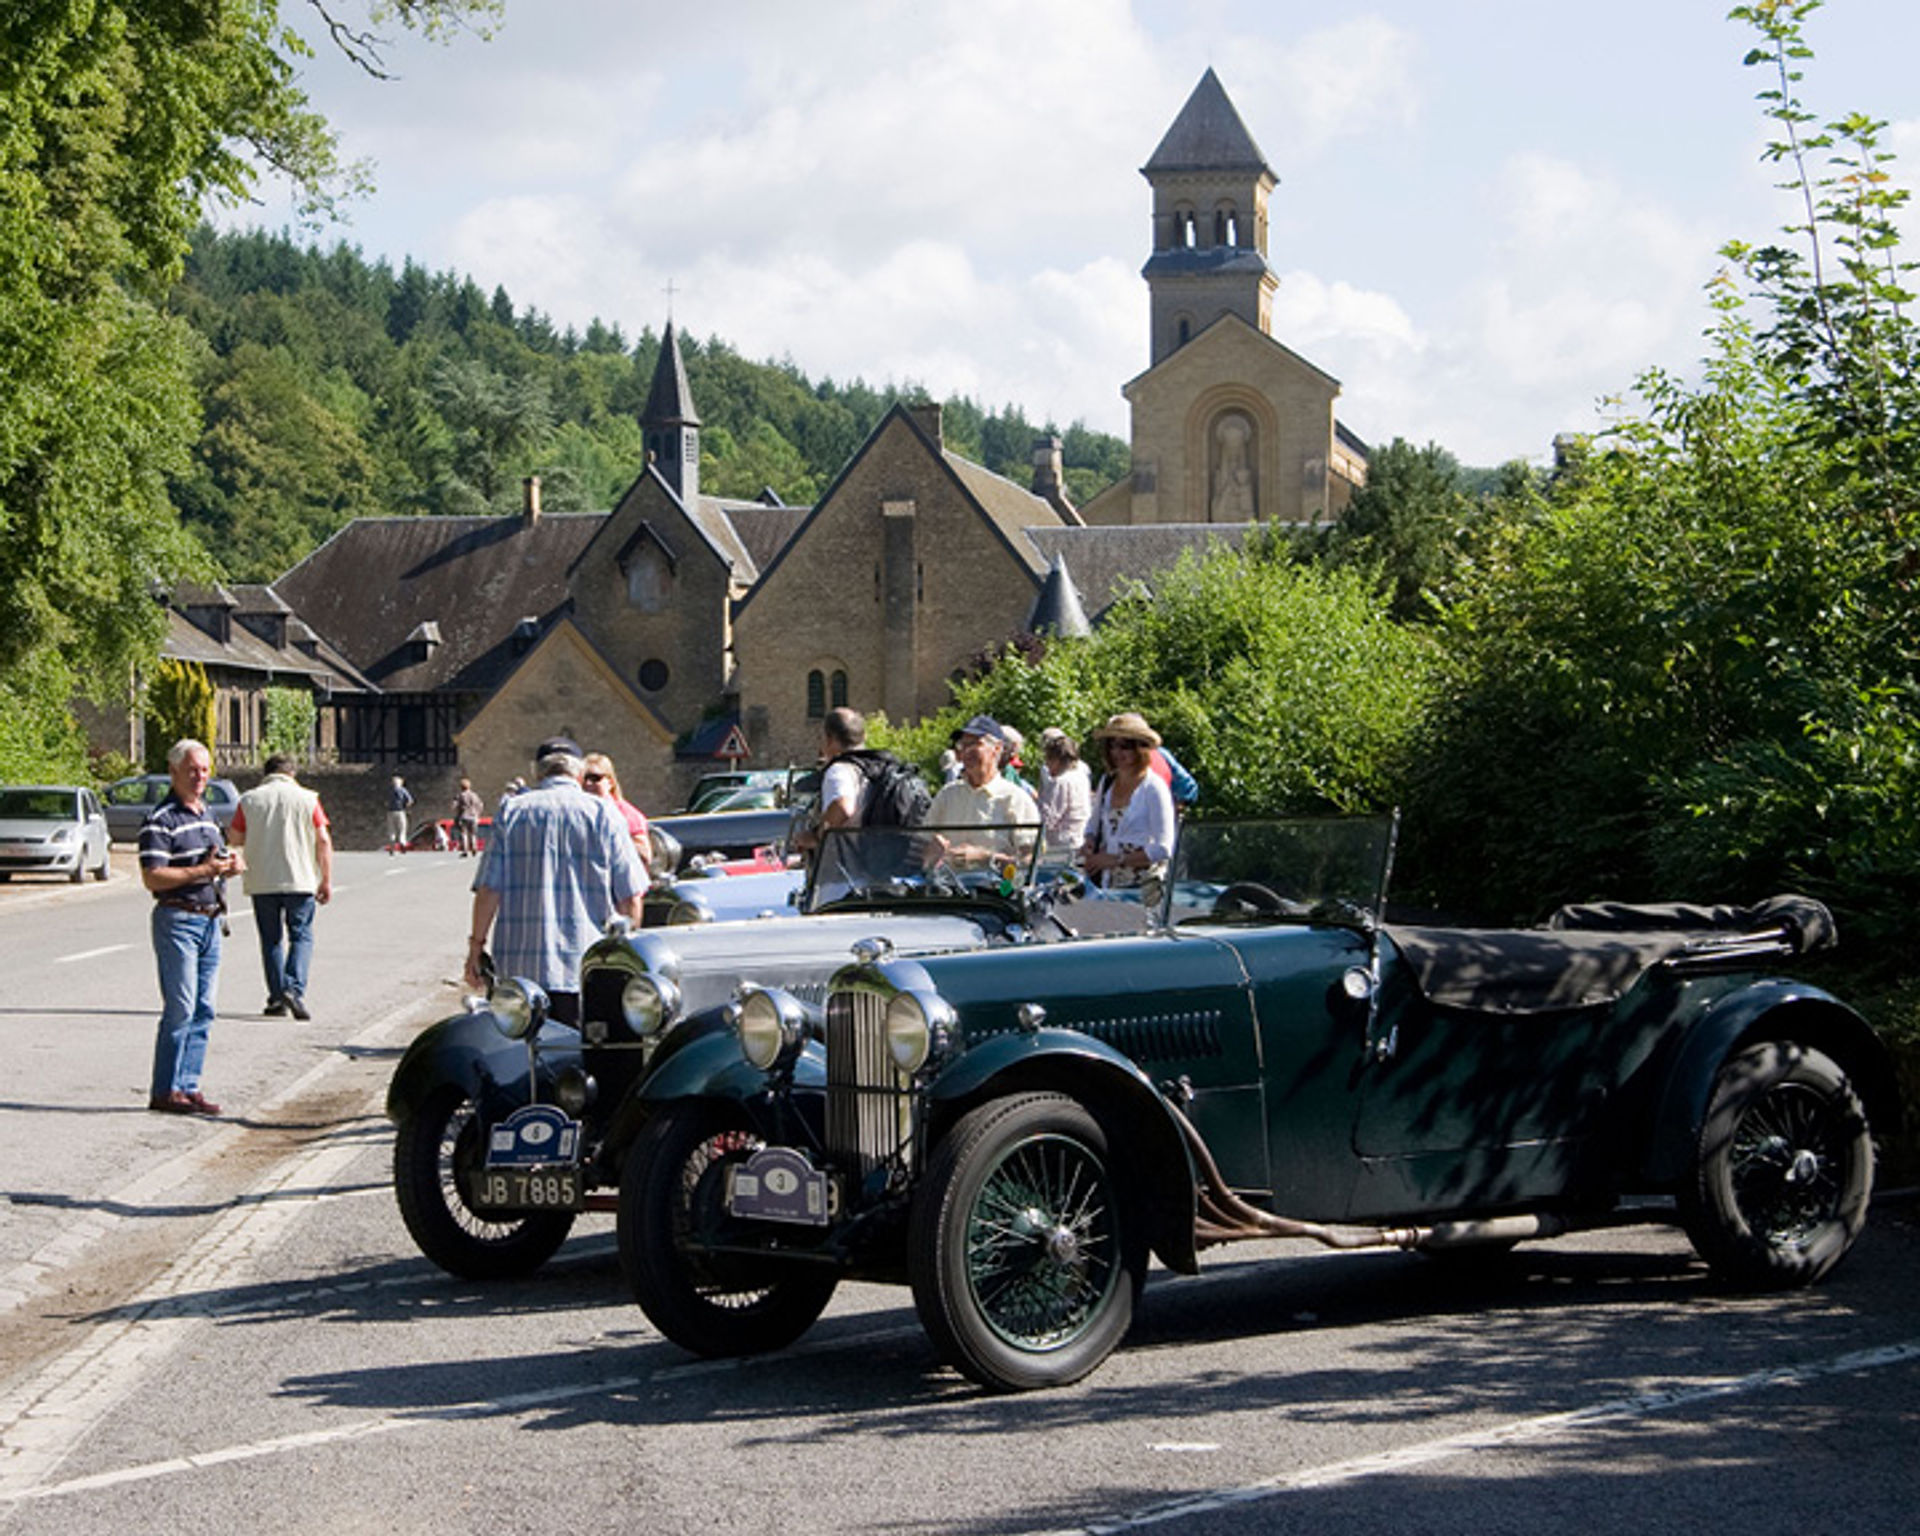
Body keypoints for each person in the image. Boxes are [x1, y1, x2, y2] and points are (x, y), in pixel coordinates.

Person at [465, 735, 648, 1025]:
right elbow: (631, 898)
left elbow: (489, 889)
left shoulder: (512, 811)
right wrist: (627, 958)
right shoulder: (604, 814)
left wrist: (476, 947)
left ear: (537, 772)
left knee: (522, 1048)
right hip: (587, 965)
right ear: (579, 772)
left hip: (520, 970)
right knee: (581, 1046)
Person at [140, 739, 245, 1115]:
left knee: (204, 1009)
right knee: (181, 1007)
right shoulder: (161, 819)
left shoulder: (207, 814)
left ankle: (189, 1085)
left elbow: (215, 861)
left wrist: (229, 867)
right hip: (178, 919)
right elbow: (153, 876)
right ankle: (165, 1090)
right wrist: (204, 870)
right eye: (192, 770)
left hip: (211, 920)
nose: (200, 777)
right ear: (174, 772)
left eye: (204, 769)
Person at [229, 754, 333, 1021]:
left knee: (271, 939)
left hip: (262, 879)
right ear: (292, 774)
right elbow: (323, 839)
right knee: (301, 936)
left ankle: (277, 997)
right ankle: (293, 989)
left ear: (266, 774)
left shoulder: (249, 800)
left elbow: (235, 837)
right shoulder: (308, 799)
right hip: (300, 878)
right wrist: (325, 879)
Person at [923, 715, 1040, 868]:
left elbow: (1031, 861)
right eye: (962, 745)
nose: (966, 751)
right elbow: (920, 846)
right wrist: (930, 853)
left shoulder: (1015, 799)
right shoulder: (947, 795)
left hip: (995, 883)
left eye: (974, 744)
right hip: (947, 882)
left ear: (997, 749)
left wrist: (985, 858)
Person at [1082, 712, 1177, 890]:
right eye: (1112, 745)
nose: (1117, 752)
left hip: (1142, 888)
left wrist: (1117, 860)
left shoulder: (1154, 788)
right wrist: (1089, 841)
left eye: (1125, 746)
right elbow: (1093, 825)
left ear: (1141, 749)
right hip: (1107, 884)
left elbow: (1163, 848)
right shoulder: (1107, 781)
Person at [794, 706, 872, 854]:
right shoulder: (875, 767)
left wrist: (817, 837)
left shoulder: (839, 770)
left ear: (830, 740)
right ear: (864, 737)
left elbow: (843, 806)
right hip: (878, 860)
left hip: (846, 862)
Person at [583, 751, 653, 869]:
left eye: (595, 778)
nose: (588, 784)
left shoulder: (627, 813)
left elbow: (645, 855)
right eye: (583, 779)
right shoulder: (577, 813)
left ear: (610, 782)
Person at [1037, 727, 1092, 853]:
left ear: (1057, 760)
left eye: (1048, 759)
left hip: (1061, 845)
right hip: (1078, 839)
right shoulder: (1081, 777)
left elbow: (1048, 818)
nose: (1047, 765)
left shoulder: (1060, 782)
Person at [452, 777, 484, 856]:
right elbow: (480, 805)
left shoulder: (460, 795)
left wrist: (457, 811)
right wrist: (478, 814)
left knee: (464, 833)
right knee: (473, 833)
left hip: (464, 816)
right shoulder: (474, 795)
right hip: (473, 816)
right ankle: (474, 847)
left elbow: (454, 806)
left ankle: (465, 850)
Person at [384, 775, 414, 854]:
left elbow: (385, 802)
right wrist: (405, 806)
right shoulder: (403, 790)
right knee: (402, 828)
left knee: (391, 829)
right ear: (401, 783)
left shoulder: (389, 791)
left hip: (390, 812)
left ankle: (392, 844)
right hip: (400, 811)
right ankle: (402, 842)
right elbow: (410, 801)